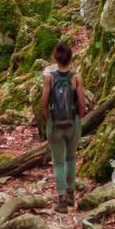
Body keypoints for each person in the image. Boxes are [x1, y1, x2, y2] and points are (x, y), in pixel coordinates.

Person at [40, 40, 87, 211]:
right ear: (70, 58)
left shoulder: (49, 78)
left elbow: (43, 102)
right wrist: (78, 120)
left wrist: (48, 119)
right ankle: (71, 195)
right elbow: (82, 104)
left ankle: (61, 200)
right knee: (71, 159)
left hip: (55, 124)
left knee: (58, 162)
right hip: (72, 122)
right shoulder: (76, 78)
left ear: (56, 58)